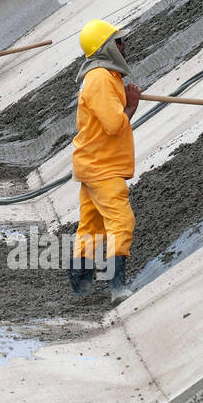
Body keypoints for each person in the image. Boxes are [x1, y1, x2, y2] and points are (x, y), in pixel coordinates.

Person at [69, 20, 140, 304]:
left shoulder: (104, 76)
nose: (125, 46)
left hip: (92, 163)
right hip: (102, 167)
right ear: (107, 48)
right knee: (121, 222)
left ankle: (81, 287)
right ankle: (117, 287)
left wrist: (126, 95)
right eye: (120, 42)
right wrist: (132, 105)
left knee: (91, 226)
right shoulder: (99, 78)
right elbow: (113, 124)